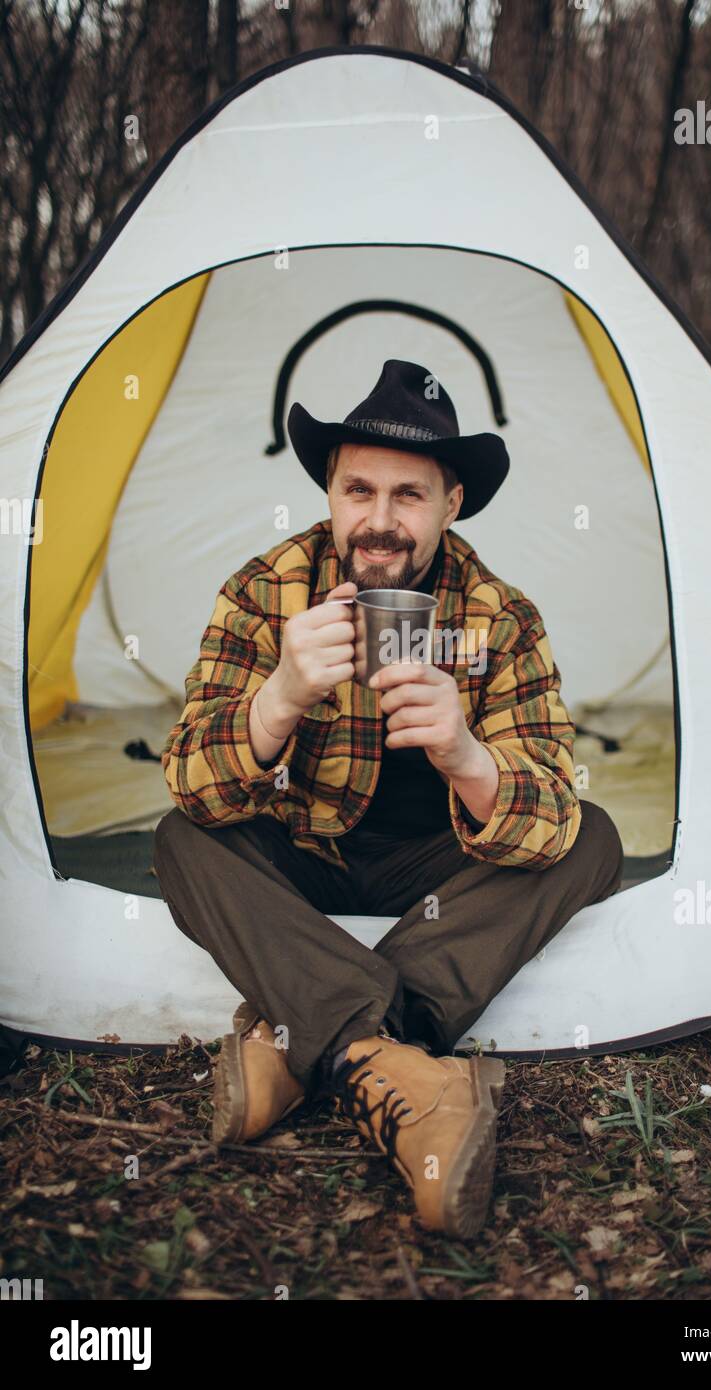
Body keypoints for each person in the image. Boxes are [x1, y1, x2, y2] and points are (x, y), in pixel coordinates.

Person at [153, 358, 623, 1238]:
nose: (378, 521)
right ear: (328, 493)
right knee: (183, 839)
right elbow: (189, 776)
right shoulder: (265, 592)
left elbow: (554, 810)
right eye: (357, 489)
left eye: (408, 495)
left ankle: (307, 1049)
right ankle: (402, 1069)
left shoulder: (500, 616)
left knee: (591, 838)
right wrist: (279, 697)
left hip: (434, 875)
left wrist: (466, 755)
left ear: (452, 503)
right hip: (306, 862)